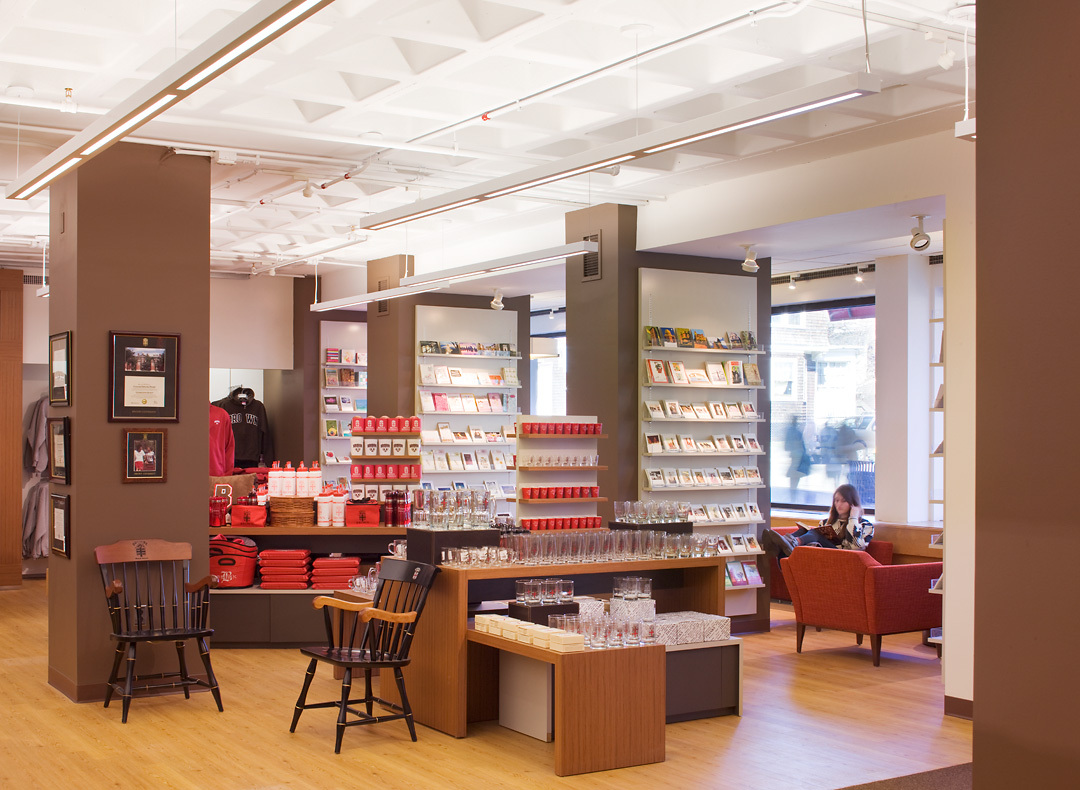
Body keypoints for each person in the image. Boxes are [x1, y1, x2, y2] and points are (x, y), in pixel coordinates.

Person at [761, 484, 873, 560]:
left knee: (815, 533)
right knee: (803, 530)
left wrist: (853, 518)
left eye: (844, 501)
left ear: (852, 503)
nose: (838, 504)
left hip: (844, 557)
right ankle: (782, 544)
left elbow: (856, 548)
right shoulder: (826, 522)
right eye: (836, 500)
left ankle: (790, 543)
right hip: (824, 556)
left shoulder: (865, 525)